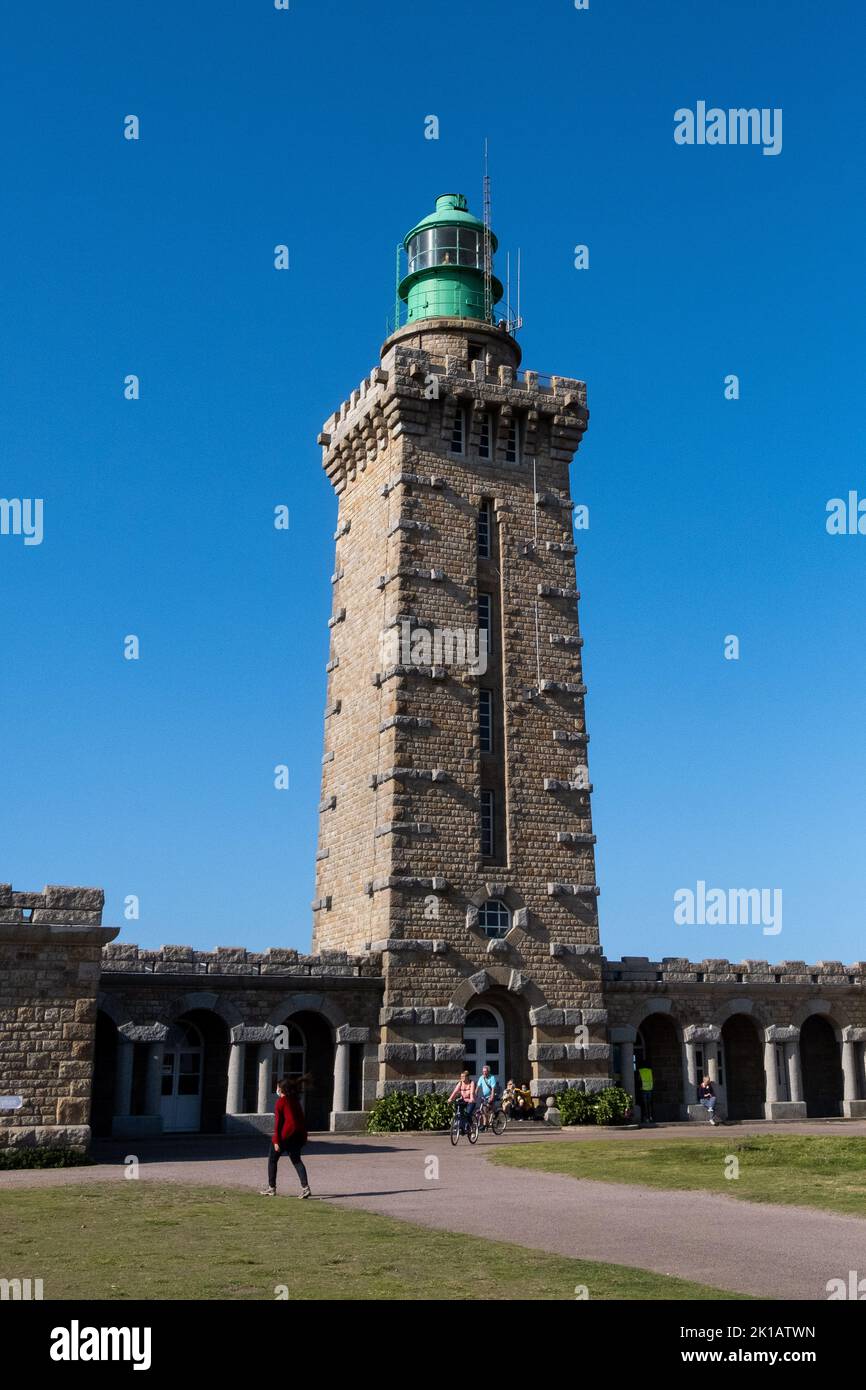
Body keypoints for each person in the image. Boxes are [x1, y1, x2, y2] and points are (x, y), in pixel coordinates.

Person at [260, 1075, 311, 1199]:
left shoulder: (281, 1102)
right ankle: (305, 1187)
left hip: (284, 1136)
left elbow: (278, 1124)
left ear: (282, 1089)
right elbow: (301, 1120)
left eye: (277, 1087)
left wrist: (276, 1140)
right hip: (296, 1136)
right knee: (297, 1161)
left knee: (272, 1160)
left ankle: (271, 1187)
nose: (276, 1089)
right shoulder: (295, 1101)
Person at [476, 1063, 499, 1129]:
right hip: (485, 1096)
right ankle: (485, 1123)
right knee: (483, 1109)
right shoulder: (481, 1078)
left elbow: (493, 1089)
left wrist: (491, 1097)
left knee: (487, 1106)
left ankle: (495, 1112)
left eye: (485, 1071)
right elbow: (477, 1087)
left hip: (493, 1094)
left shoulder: (492, 1077)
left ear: (488, 1071)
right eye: (483, 1071)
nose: (484, 1073)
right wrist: (475, 1095)